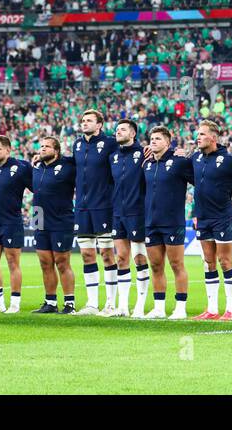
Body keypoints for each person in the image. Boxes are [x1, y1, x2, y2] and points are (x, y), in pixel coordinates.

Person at [190, 119, 232, 320]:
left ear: (213, 137)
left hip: (222, 217)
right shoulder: (195, 158)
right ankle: (212, 309)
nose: (198, 137)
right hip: (202, 217)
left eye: (202, 134)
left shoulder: (229, 160)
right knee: (208, 262)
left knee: (225, 260)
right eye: (198, 134)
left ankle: (231, 310)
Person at [141, 126, 193, 319]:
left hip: (173, 222)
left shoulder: (179, 162)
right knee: (155, 266)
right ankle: (159, 308)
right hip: (150, 222)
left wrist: (187, 156)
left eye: (158, 139)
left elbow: (200, 181)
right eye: (152, 138)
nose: (153, 141)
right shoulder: (146, 165)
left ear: (168, 142)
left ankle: (180, 308)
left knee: (176, 264)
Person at [69, 109, 117, 315]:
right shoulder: (77, 144)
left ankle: (111, 302)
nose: (84, 123)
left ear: (99, 125)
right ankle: (91, 303)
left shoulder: (110, 143)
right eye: (83, 120)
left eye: (89, 120)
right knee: (87, 254)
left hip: (103, 206)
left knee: (107, 254)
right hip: (82, 207)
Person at [0, 135, 31, 313]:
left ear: (8, 150)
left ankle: (15, 303)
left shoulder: (21, 168)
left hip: (12, 222)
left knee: (12, 263)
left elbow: (38, 187)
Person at [30, 136, 77, 314]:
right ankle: (50, 302)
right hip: (38, 216)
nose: (42, 149)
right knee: (45, 262)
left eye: (47, 147)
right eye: (41, 146)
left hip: (61, 218)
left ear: (56, 151)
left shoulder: (68, 166)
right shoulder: (36, 167)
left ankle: (69, 304)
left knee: (62, 262)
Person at [107, 118, 149, 317]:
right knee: (121, 258)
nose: (118, 131)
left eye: (122, 129)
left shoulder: (144, 153)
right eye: (116, 129)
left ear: (132, 134)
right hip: (117, 213)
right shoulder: (113, 156)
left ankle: (140, 305)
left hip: (137, 212)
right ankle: (122, 305)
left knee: (140, 258)